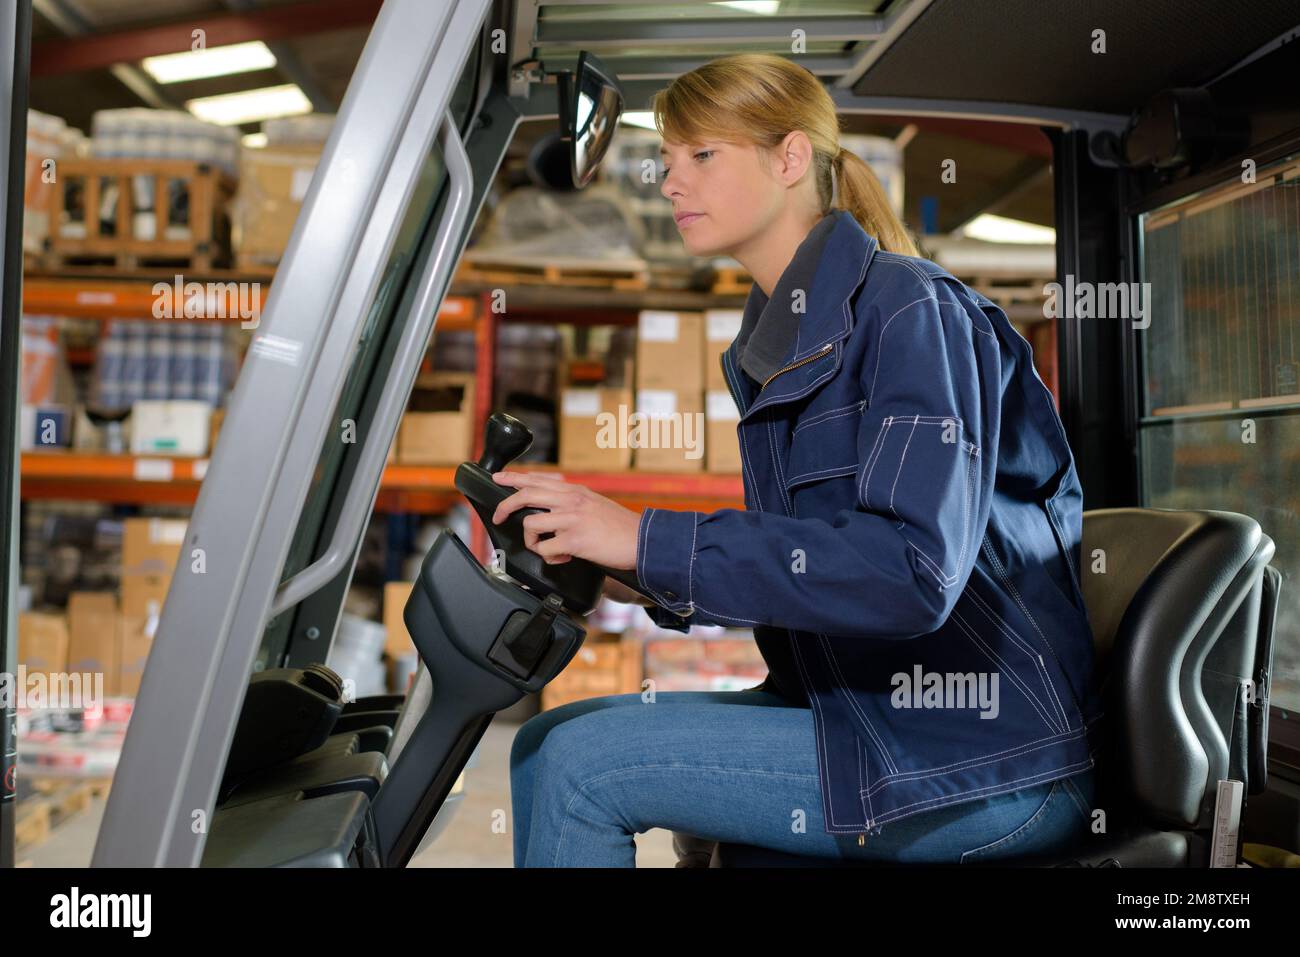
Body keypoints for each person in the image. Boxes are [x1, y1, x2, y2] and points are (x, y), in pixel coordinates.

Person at [493, 53, 1102, 868]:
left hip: (977, 752)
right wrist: (626, 566)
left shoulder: (912, 310)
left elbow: (910, 572)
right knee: (545, 740)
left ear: (789, 159)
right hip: (859, 712)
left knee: (583, 765)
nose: (670, 183)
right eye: (668, 160)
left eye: (702, 155)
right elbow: (811, 571)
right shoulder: (777, 342)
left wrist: (650, 538)